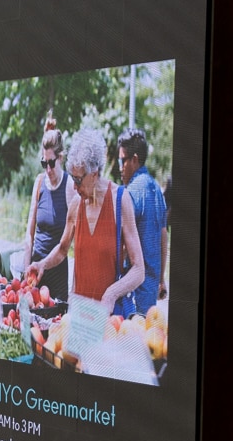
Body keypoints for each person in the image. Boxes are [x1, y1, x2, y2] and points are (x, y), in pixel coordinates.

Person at [25, 128, 144, 316]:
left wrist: (111, 294)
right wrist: (42, 264)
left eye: (78, 180)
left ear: (95, 174)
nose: (74, 186)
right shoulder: (75, 205)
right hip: (79, 317)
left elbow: (139, 269)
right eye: (72, 178)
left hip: (109, 318)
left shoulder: (121, 200)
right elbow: (62, 249)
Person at [21, 120, 77, 302]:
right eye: (44, 163)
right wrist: (26, 266)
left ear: (60, 158)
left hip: (58, 272)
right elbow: (30, 233)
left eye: (51, 163)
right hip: (36, 271)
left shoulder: (69, 186)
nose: (48, 169)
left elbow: (70, 242)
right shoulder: (39, 182)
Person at [118, 127, 169, 316]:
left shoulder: (131, 193)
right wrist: (161, 279)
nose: (119, 166)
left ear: (135, 160)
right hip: (150, 294)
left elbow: (123, 246)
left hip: (132, 296)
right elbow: (164, 238)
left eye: (122, 160)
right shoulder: (156, 189)